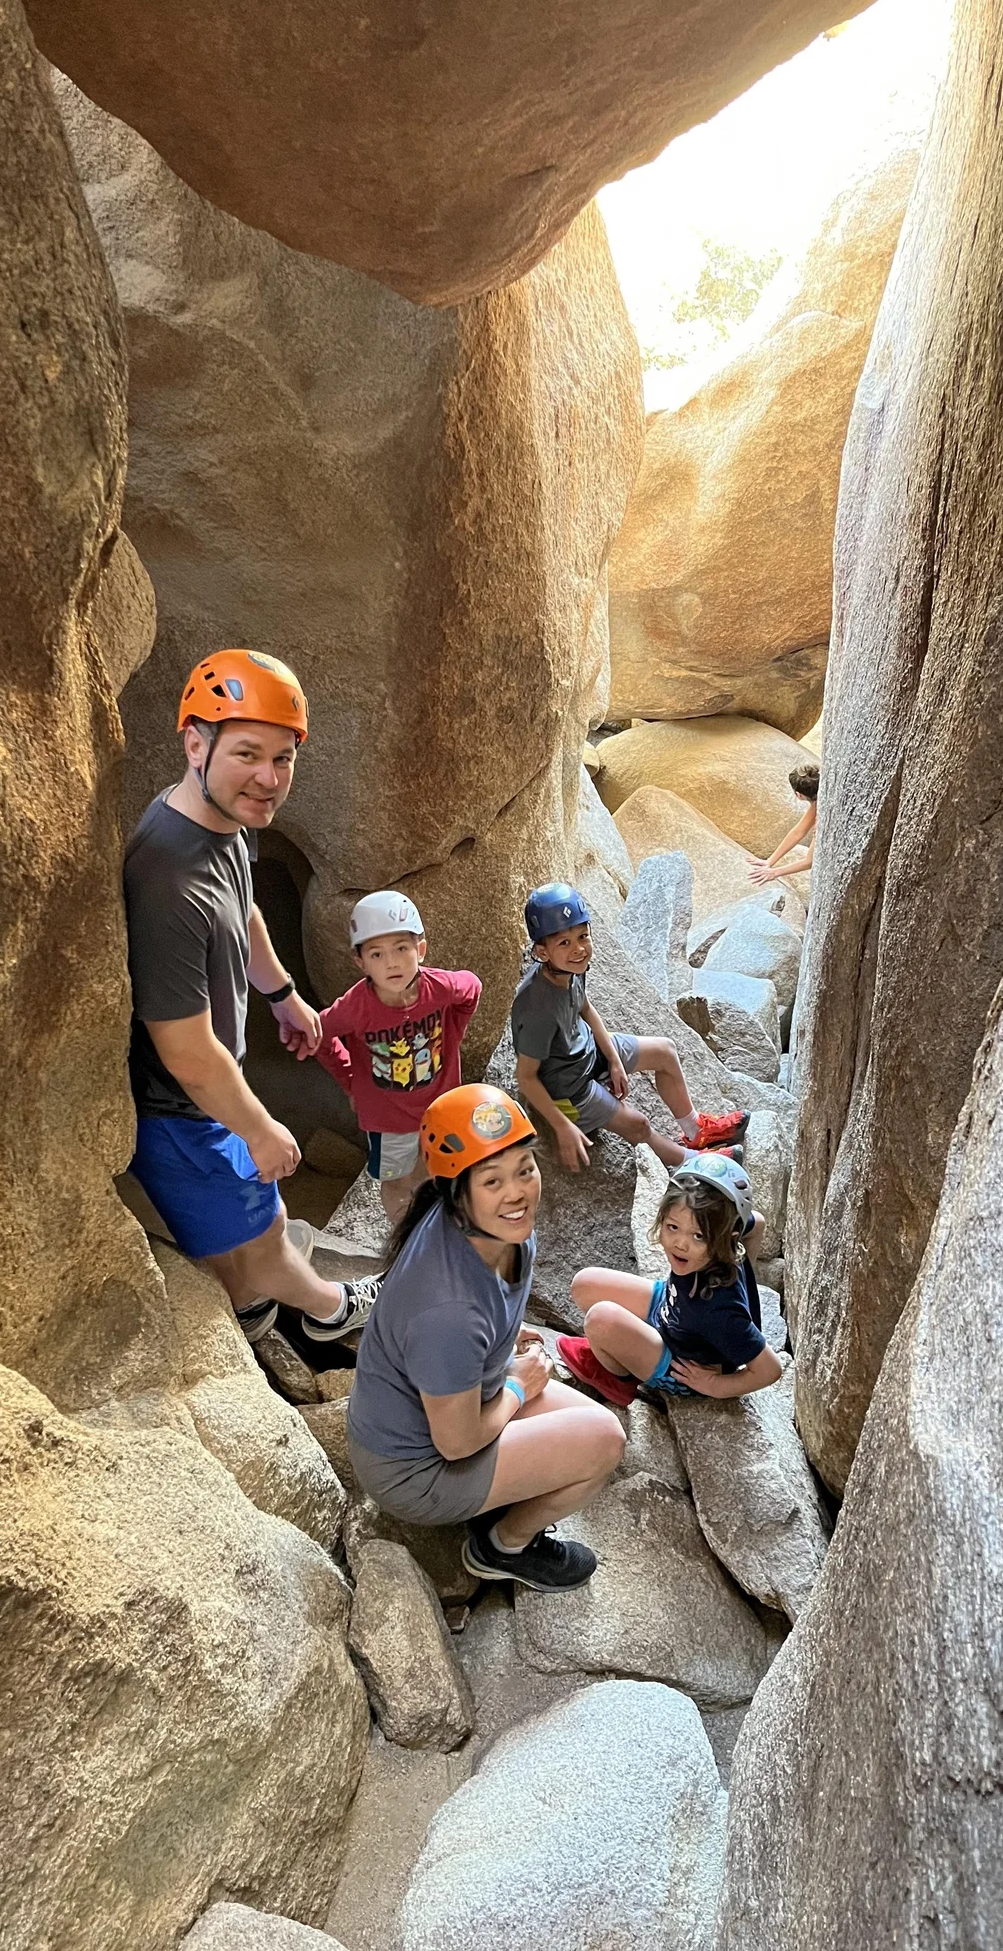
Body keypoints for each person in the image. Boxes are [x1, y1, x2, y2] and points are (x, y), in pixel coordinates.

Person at [124, 648, 379, 1344]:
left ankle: (247, 1308)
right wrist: (259, 1128)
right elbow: (187, 1052)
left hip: (203, 1097)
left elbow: (243, 912)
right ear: (195, 744)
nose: (269, 780)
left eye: (283, 758)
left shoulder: (220, 821)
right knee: (264, 1230)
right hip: (182, 1113)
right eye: (247, 754)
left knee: (243, 1225)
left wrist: (282, 994)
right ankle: (331, 1311)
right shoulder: (169, 883)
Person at [346, 1083, 625, 1593]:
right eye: (492, 1180)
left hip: (464, 1402)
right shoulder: (446, 1311)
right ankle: (502, 1547)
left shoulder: (497, 1230)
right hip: (415, 1471)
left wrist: (506, 1341)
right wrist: (518, 1385)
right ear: (457, 1192)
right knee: (604, 1441)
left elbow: (485, 1312)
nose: (517, 1193)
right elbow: (456, 1444)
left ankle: (498, 1496)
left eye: (525, 1169)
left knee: (593, 1427)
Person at [511, 882, 744, 1173]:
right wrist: (561, 1126)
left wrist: (613, 1059)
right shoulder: (537, 1007)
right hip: (567, 1089)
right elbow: (526, 1078)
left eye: (583, 936)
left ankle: (695, 1130)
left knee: (665, 1051)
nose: (579, 949)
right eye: (564, 943)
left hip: (585, 1052)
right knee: (638, 1125)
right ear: (542, 952)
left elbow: (585, 1008)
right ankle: (694, 1163)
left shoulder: (569, 969)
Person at [555, 1150, 784, 1407]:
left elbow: (770, 1370)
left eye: (698, 1236)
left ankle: (618, 1378)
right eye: (672, 1227)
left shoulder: (720, 1313)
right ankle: (626, 1345)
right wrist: (742, 1277)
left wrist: (715, 1385)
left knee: (600, 1319)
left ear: (726, 1236)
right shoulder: (726, 1234)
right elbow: (757, 1223)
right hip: (671, 1305)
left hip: (677, 1363)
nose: (680, 1244)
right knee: (584, 1283)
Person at [315, 891, 482, 1227]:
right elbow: (319, 1034)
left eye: (402, 948)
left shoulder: (440, 987)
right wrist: (350, 1081)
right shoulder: (356, 1007)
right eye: (377, 953)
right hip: (387, 1120)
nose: (391, 962)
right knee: (396, 1179)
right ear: (360, 962)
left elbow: (472, 988)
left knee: (439, 1166)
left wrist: (453, 1035)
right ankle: (404, 1233)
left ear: (421, 949)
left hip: (441, 1107)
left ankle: (439, 1222)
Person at [749, 763, 818, 885]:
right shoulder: (818, 803)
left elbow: (810, 861)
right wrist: (770, 861)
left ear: (798, 795)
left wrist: (774, 872)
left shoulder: (821, 821)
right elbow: (798, 832)